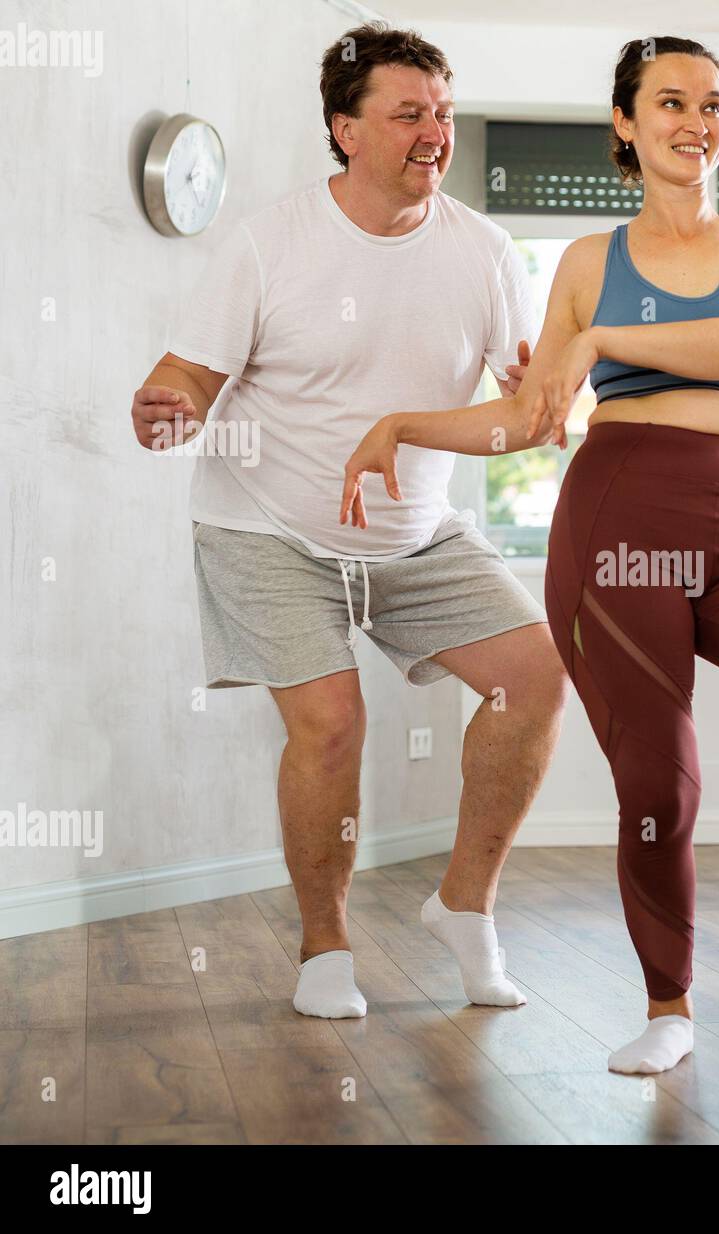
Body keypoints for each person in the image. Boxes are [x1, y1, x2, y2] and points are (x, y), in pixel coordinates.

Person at [341, 36, 719, 1099]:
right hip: (615, 519)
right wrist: (407, 423)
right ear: (625, 123)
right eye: (669, 101)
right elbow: (530, 423)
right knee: (661, 781)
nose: (695, 121)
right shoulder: (585, 260)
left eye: (712, 103)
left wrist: (593, 345)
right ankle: (667, 1009)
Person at [129, 23, 568, 1020]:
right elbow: (188, 376)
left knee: (535, 677)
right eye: (409, 112)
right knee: (331, 726)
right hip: (270, 530)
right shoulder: (268, 242)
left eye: (443, 113)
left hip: (416, 535)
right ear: (346, 129)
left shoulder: (486, 253)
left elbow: (519, 418)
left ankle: (467, 904)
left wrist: (536, 407)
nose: (434, 132)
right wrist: (167, 404)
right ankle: (324, 945)